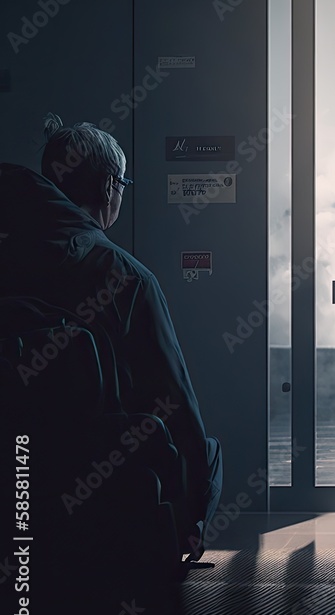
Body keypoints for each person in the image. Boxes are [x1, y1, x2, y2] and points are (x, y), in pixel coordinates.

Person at [0, 113, 222, 560]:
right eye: (123, 184)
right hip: (99, 479)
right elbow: (174, 398)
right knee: (208, 452)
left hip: (15, 467)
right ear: (108, 187)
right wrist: (196, 503)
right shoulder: (125, 276)